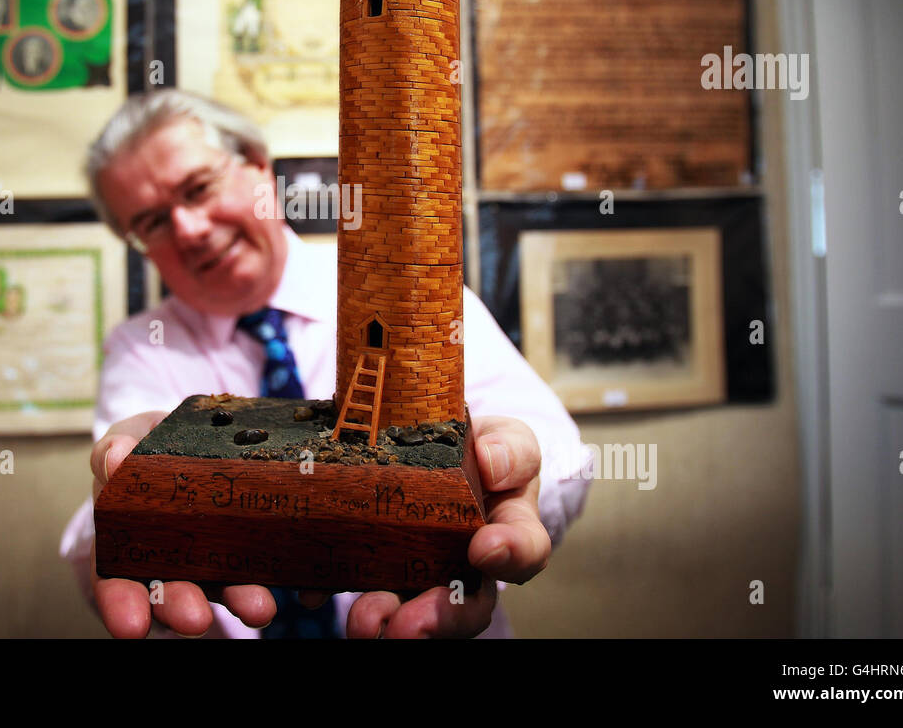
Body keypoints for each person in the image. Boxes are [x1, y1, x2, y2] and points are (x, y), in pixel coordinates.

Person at [60, 89, 592, 638]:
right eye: (151, 222)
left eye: (198, 188)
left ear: (259, 168)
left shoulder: (410, 289)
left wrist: (491, 495)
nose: (190, 229)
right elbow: (94, 525)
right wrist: (119, 523)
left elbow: (561, 453)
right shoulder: (138, 348)